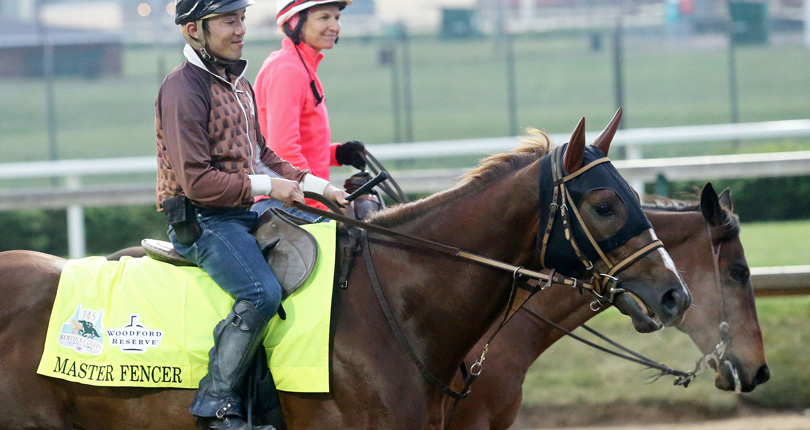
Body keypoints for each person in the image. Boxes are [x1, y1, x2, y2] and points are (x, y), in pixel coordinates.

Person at [156, 1, 349, 428]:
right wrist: (268, 187)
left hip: (239, 215)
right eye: (229, 21)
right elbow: (198, 183)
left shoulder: (237, 82)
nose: (240, 29)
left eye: (241, 18)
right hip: (202, 221)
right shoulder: (182, 89)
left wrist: (322, 188)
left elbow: (263, 156)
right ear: (193, 30)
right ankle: (215, 404)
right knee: (262, 292)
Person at [252, 0, 366, 220]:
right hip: (289, 204)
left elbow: (301, 144)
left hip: (301, 197)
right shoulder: (287, 69)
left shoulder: (300, 65)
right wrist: (322, 203)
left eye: (337, 18)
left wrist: (337, 154)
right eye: (324, 17)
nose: (335, 26)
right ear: (295, 22)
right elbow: (283, 151)